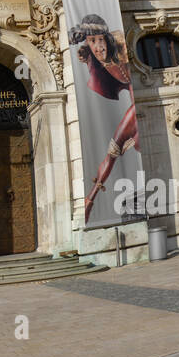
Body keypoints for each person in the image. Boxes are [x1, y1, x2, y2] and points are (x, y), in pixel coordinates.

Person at [68, 14, 138, 220]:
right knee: (113, 150)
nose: (99, 47)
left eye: (101, 40)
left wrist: (87, 30)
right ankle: (90, 199)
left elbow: (113, 36)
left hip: (136, 108)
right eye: (92, 42)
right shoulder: (99, 64)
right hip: (133, 109)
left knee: (116, 147)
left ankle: (91, 197)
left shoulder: (119, 46)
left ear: (107, 38)